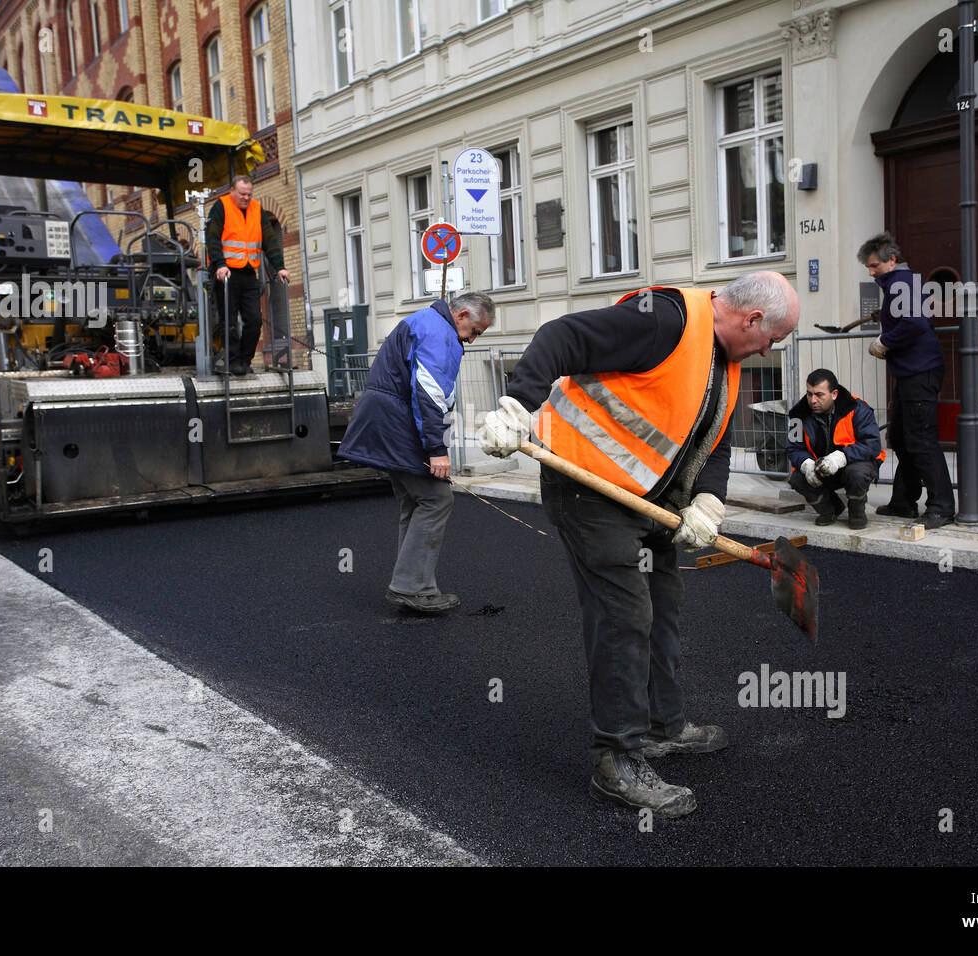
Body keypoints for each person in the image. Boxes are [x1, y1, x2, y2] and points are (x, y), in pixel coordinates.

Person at [478, 273, 799, 818]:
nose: (771, 350)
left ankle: (661, 726)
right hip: (590, 490)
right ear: (751, 321)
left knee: (663, 610)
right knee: (623, 618)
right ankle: (616, 760)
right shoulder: (663, 319)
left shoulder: (728, 360)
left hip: (651, 504)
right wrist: (516, 406)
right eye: (773, 339)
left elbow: (713, 439)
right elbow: (561, 337)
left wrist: (708, 503)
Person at [338, 293, 494, 613]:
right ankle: (410, 587)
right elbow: (430, 393)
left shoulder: (426, 322)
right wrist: (437, 450)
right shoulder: (439, 332)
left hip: (386, 424)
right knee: (437, 499)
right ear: (462, 315)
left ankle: (414, 585)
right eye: (475, 331)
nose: (473, 339)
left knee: (414, 500)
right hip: (399, 427)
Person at [858, 232, 955, 528]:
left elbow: (913, 324)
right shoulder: (902, 284)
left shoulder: (902, 283)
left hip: (918, 373)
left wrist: (885, 341)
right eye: (868, 268)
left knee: (921, 441)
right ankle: (903, 501)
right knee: (901, 438)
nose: (871, 272)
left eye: (874, 266)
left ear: (892, 260)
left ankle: (941, 506)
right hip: (911, 373)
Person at [205, 175, 290, 375]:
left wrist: (280, 267)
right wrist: (219, 264)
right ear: (232, 191)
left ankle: (245, 359)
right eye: (242, 194)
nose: (245, 197)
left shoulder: (257, 209)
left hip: (248, 272)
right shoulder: (221, 206)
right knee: (230, 321)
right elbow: (213, 239)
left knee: (254, 319)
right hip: (226, 274)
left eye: (249, 194)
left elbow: (269, 240)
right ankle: (233, 361)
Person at [785, 368, 884, 529]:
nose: (813, 400)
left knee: (857, 474)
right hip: (820, 466)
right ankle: (829, 510)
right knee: (797, 478)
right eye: (809, 394)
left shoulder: (858, 408)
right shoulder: (798, 414)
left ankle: (857, 514)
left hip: (852, 464)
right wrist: (806, 464)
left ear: (834, 394)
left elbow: (872, 444)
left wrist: (840, 458)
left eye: (819, 394)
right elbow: (793, 448)